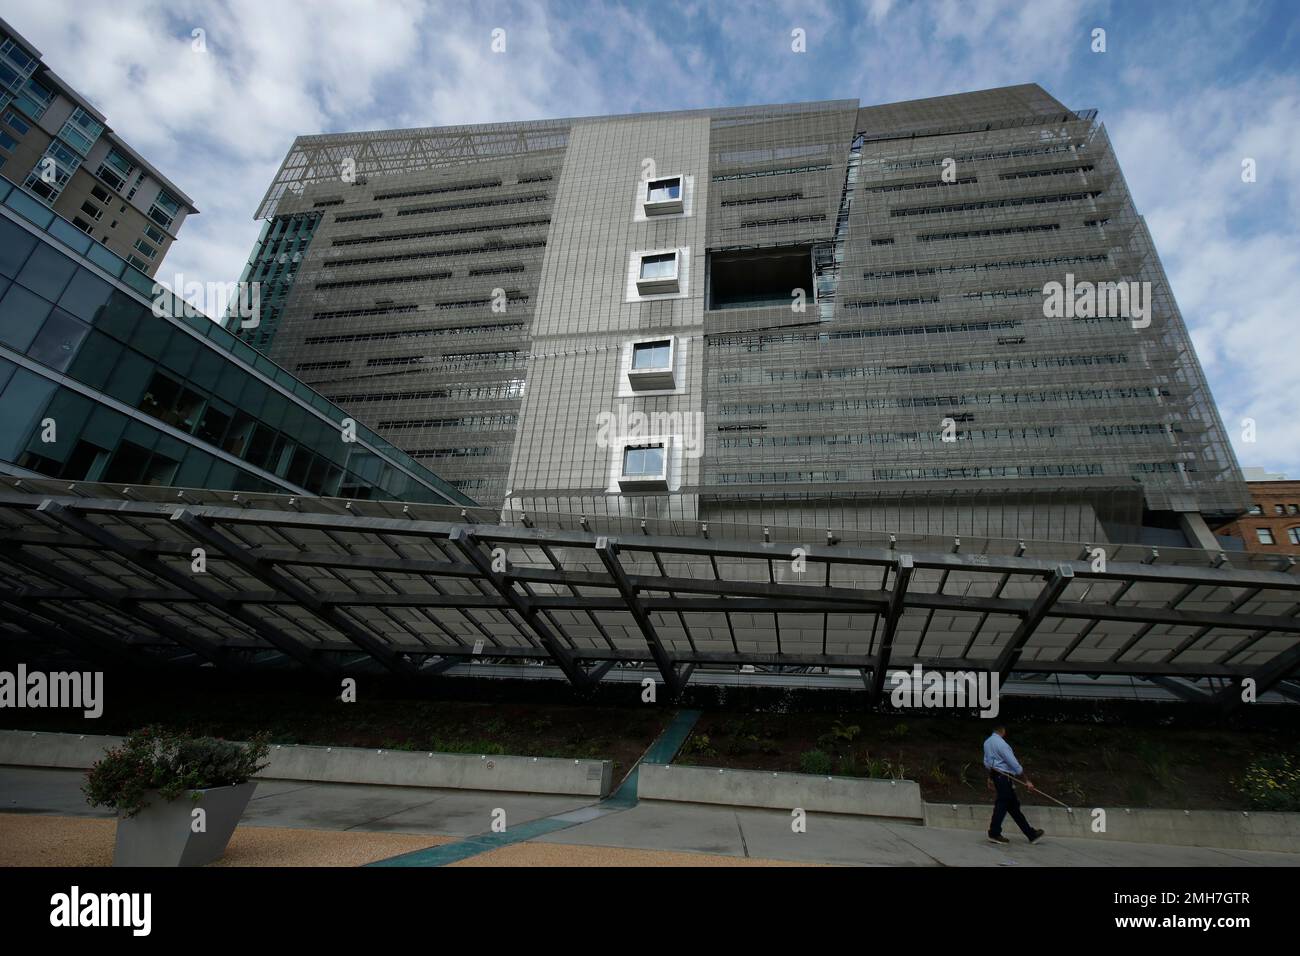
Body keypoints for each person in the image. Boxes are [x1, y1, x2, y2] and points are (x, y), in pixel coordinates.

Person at [982, 724, 1044, 845]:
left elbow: (987, 762)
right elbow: (1014, 764)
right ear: (1003, 731)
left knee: (1013, 807)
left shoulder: (987, 743)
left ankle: (1031, 834)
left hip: (997, 775)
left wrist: (990, 778)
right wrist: (1026, 780)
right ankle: (994, 833)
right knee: (1002, 803)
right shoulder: (1002, 744)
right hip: (1004, 777)